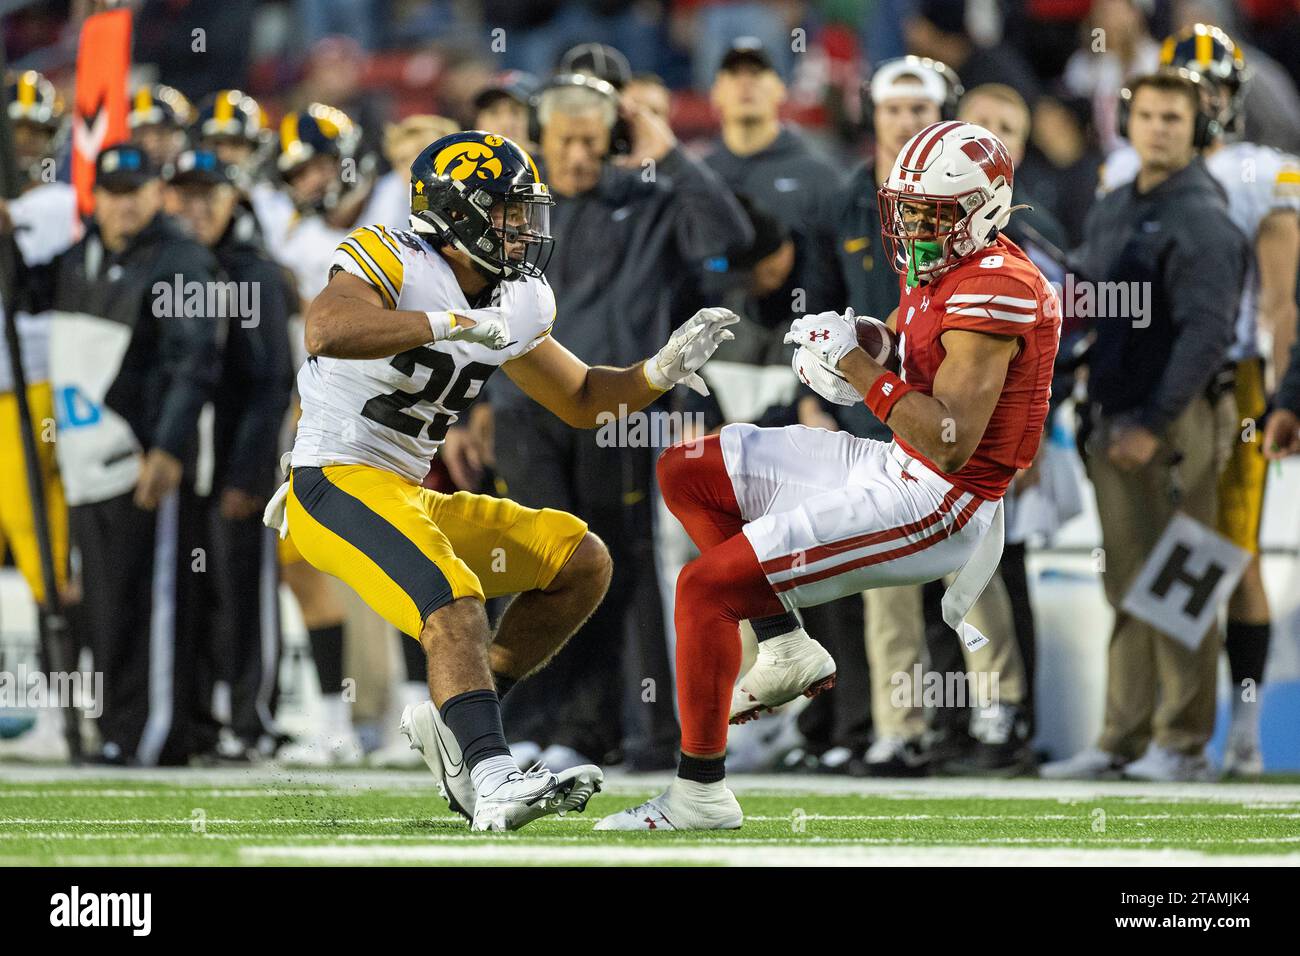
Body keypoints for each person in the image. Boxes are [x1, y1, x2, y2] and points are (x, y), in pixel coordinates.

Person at [263, 131, 738, 830]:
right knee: (453, 600)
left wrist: (655, 373)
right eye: (510, 214)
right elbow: (326, 329)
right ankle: (492, 779)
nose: (526, 231)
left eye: (526, 213)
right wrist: (447, 321)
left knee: (580, 560)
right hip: (333, 480)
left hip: (404, 488)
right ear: (458, 215)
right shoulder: (395, 255)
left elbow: (580, 399)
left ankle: (464, 733)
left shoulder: (518, 297)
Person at [596, 121, 1061, 830]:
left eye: (929, 214)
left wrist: (857, 369)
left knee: (704, 585)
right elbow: (914, 352)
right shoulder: (944, 267)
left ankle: (698, 793)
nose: (910, 227)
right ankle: (783, 643)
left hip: (943, 499)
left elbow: (948, 441)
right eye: (906, 209)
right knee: (690, 468)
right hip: (899, 464)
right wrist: (863, 341)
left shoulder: (997, 286)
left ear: (984, 208)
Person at [487, 73, 752, 772]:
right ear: (539, 139)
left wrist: (669, 151)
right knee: (535, 563)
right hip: (523, 410)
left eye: (591, 140)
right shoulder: (512, 213)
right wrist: (472, 408)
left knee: (610, 569)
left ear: (613, 140)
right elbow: (477, 311)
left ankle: (592, 730)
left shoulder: (648, 199)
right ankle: (535, 722)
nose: (577, 154)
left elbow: (730, 241)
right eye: (565, 139)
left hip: (620, 412)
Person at [1098, 25, 1300, 777]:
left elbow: (1280, 304)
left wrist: (1282, 394)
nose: (1198, 98)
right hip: (1136, 384)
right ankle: (1140, 729)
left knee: (1226, 555)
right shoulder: (1127, 165)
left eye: (1211, 89)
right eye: (1185, 83)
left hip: (1232, 382)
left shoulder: (1262, 174)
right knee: (1139, 560)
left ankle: (1234, 730)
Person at [1043, 70, 1250, 782]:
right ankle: (1121, 738)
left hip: (1179, 417)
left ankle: (1184, 744)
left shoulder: (1202, 216)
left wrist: (1157, 421)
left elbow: (1208, 334)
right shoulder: (1113, 206)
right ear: (1128, 123)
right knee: (1128, 583)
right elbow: (1087, 307)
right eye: (1148, 115)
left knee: (1181, 581)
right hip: (1113, 412)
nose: (1159, 128)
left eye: (1174, 117)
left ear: (1198, 130)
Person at [32, 146, 223, 765]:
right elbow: (21, 293)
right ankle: (119, 729)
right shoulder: (80, 255)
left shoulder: (184, 261)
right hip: (87, 462)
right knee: (109, 606)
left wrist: (168, 447)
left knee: (155, 604)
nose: (124, 202)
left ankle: (154, 732)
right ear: (96, 196)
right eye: (112, 190)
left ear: (155, 193)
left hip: (143, 459)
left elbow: (194, 359)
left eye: (135, 189)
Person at [163, 150, 296, 760]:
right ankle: (201, 719)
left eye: (206, 198)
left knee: (244, 591)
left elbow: (272, 382)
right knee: (193, 595)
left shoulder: (255, 274)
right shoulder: (173, 266)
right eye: (183, 197)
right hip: (186, 463)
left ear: (233, 201)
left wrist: (249, 472)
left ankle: (253, 720)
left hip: (234, 460)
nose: (194, 211)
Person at [0, 69, 80, 761]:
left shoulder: (57, 204)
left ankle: (64, 711)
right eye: (12, 132)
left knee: (46, 553)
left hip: (32, 390)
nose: (20, 145)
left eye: (29, 132)